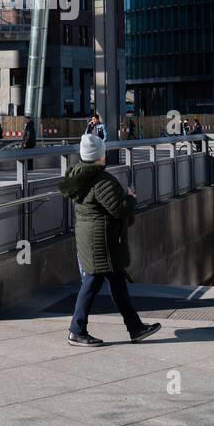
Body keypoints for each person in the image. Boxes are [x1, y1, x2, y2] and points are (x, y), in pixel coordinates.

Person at [60, 134, 161, 347]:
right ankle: (76, 331)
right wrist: (131, 198)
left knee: (117, 282)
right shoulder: (101, 180)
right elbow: (120, 209)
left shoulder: (78, 176)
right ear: (99, 156)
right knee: (92, 282)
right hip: (101, 241)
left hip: (93, 236)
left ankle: (135, 327)